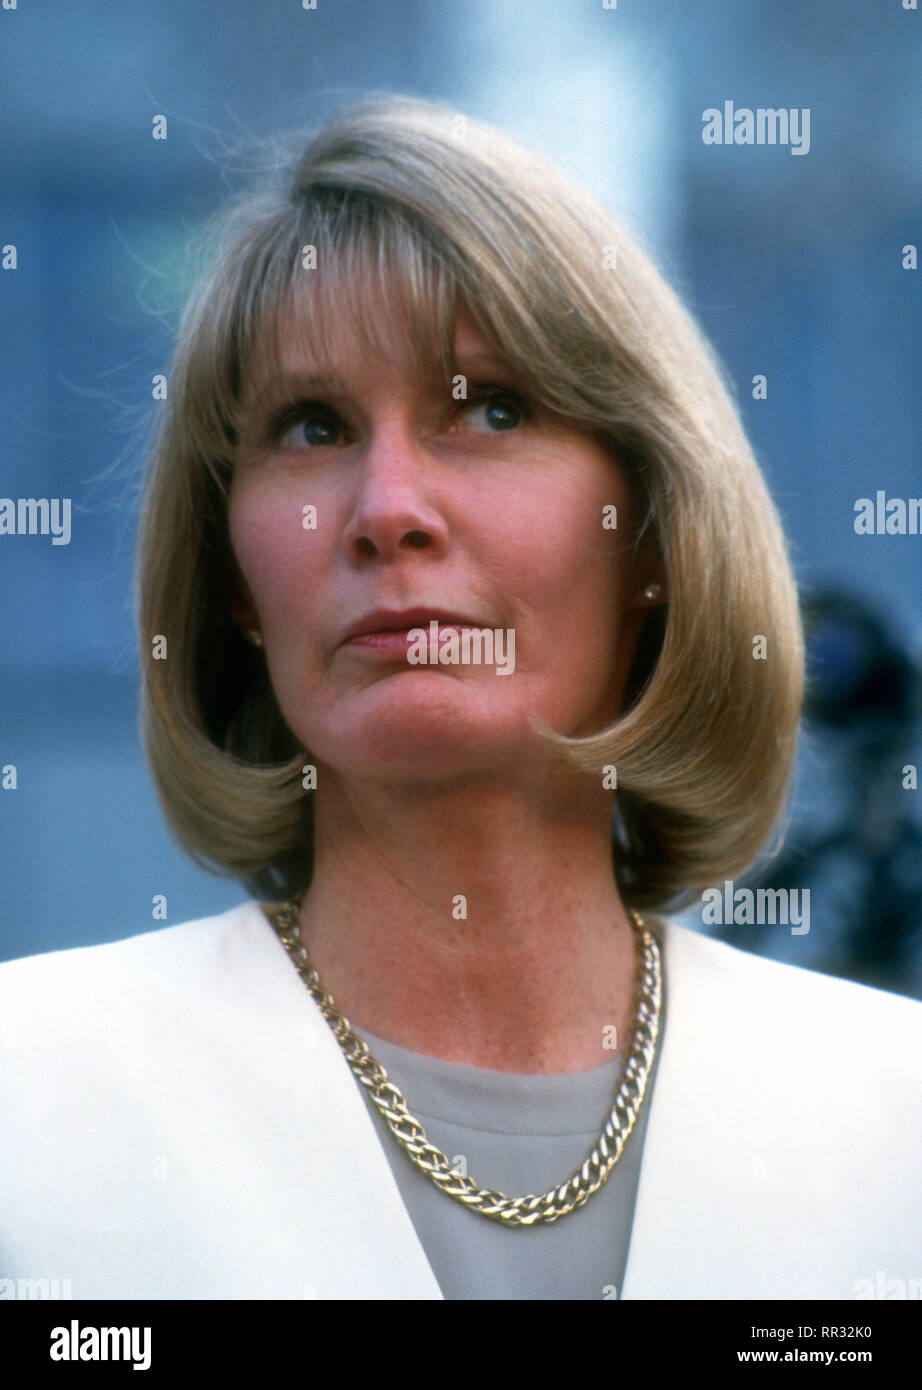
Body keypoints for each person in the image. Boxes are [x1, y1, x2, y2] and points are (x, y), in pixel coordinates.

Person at [1, 93, 919, 1302]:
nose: (386, 506)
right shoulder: (32, 1097)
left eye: (490, 407)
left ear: (651, 531)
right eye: (311, 425)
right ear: (231, 582)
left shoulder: (890, 1124)